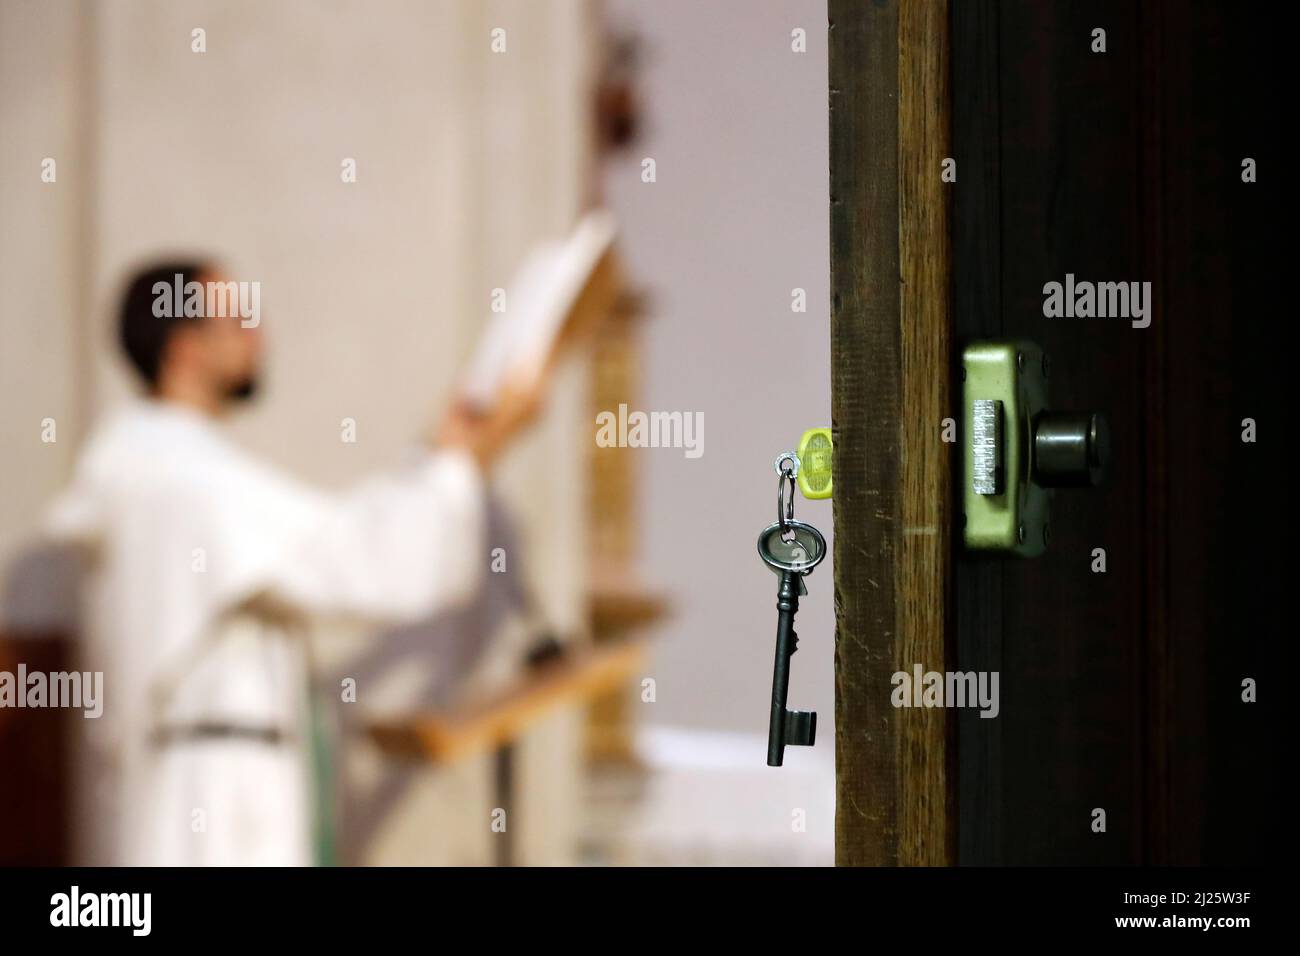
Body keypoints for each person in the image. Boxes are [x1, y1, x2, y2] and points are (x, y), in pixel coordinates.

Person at [44, 260, 542, 865]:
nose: (260, 334)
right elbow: (354, 554)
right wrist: (467, 454)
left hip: (202, 782)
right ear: (185, 347)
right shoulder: (181, 478)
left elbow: (332, 538)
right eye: (238, 319)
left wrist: (446, 453)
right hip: (220, 801)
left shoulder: (147, 463)